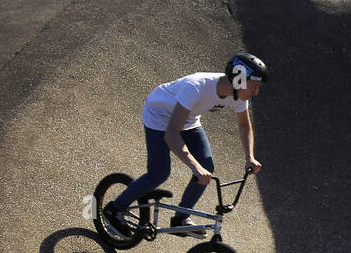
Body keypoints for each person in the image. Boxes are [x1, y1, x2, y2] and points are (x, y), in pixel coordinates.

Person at [102, 54, 267, 239]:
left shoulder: (238, 95)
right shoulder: (196, 87)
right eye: (254, 86)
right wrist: (195, 167)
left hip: (188, 120)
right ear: (238, 79)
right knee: (159, 173)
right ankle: (114, 209)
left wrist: (249, 157)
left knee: (207, 167)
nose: (256, 92)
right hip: (158, 117)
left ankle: (181, 218)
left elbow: (244, 125)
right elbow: (171, 134)